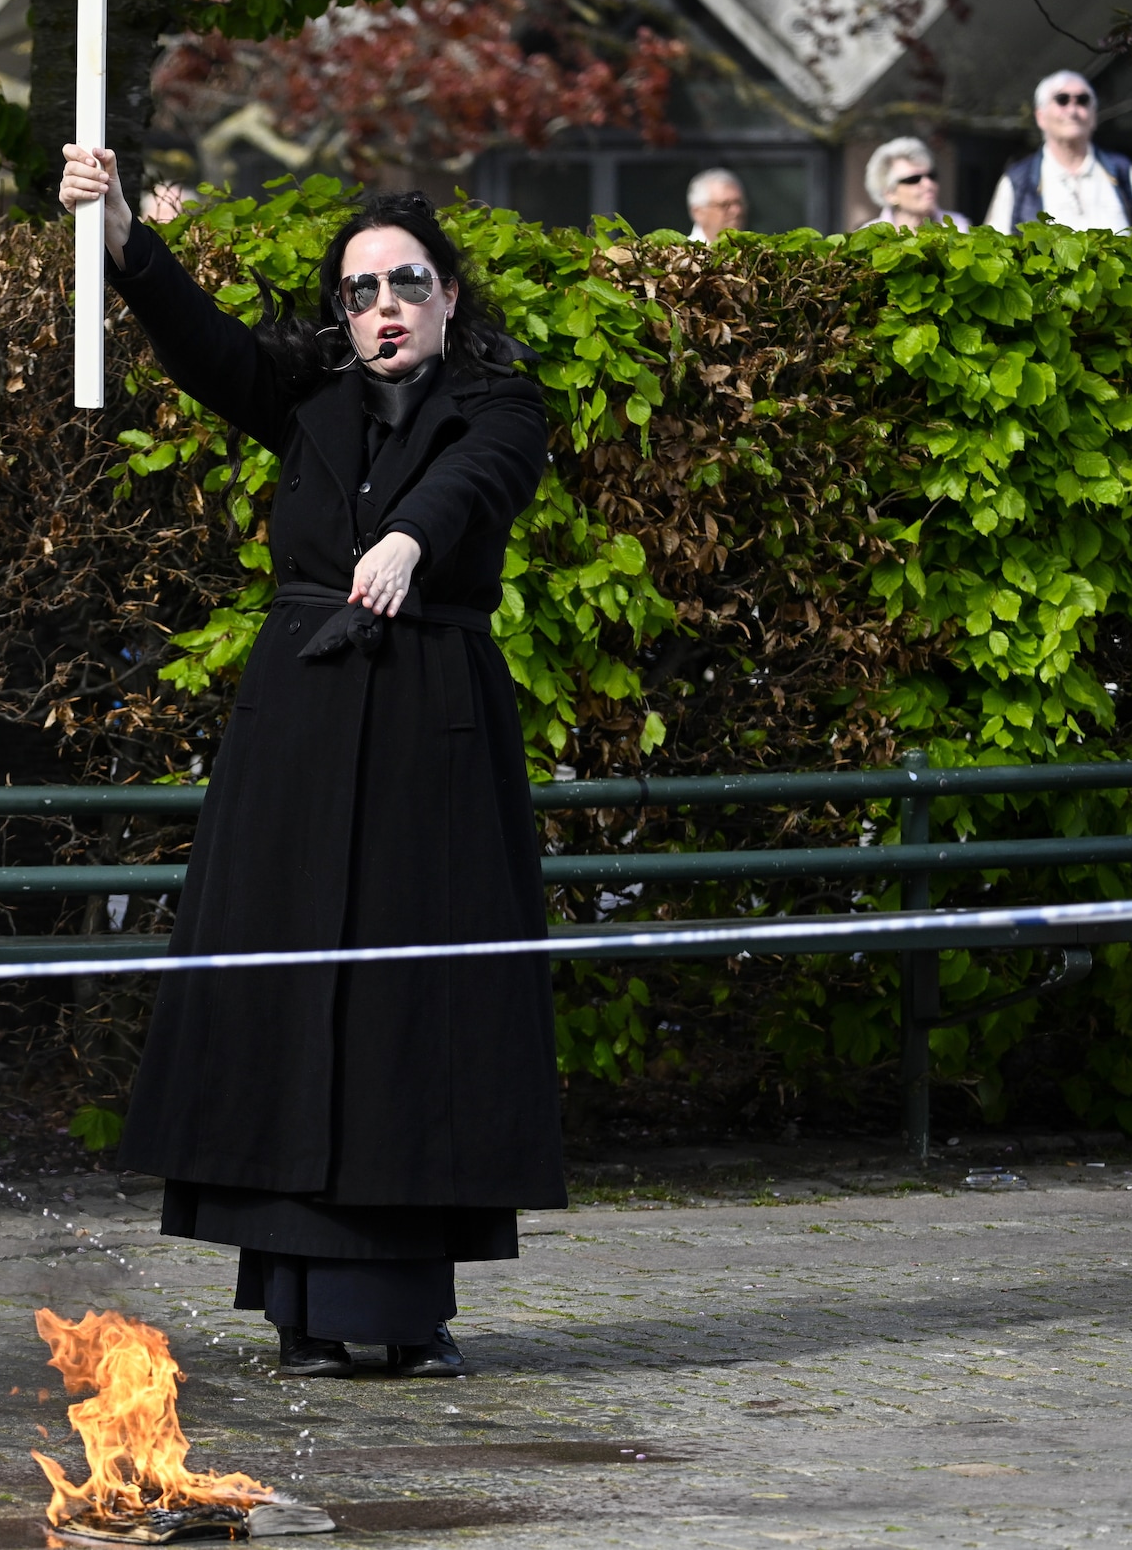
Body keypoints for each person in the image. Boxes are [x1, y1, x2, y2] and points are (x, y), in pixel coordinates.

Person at [59, 148, 565, 1380]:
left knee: (406, 1014)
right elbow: (207, 350)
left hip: (425, 739)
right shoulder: (305, 395)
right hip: (295, 727)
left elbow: (472, 484)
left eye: (404, 284)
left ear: (446, 294)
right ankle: (294, 1305)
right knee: (288, 1001)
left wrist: (404, 540)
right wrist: (123, 234)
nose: (382, 308)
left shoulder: (501, 400)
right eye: (358, 293)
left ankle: (397, 1313)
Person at [983, 71, 1132, 232]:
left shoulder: (1123, 172)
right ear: (1040, 116)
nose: (1072, 110)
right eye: (1062, 100)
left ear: (1093, 116)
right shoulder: (1017, 181)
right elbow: (997, 247)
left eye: (1083, 101)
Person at [858, 137, 968, 232]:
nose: (928, 184)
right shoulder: (868, 236)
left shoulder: (958, 227)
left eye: (931, 176)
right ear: (890, 194)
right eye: (913, 179)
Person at [686, 168, 746, 243]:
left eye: (739, 203)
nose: (737, 211)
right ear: (698, 212)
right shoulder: (680, 253)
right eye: (725, 205)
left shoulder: (756, 252)